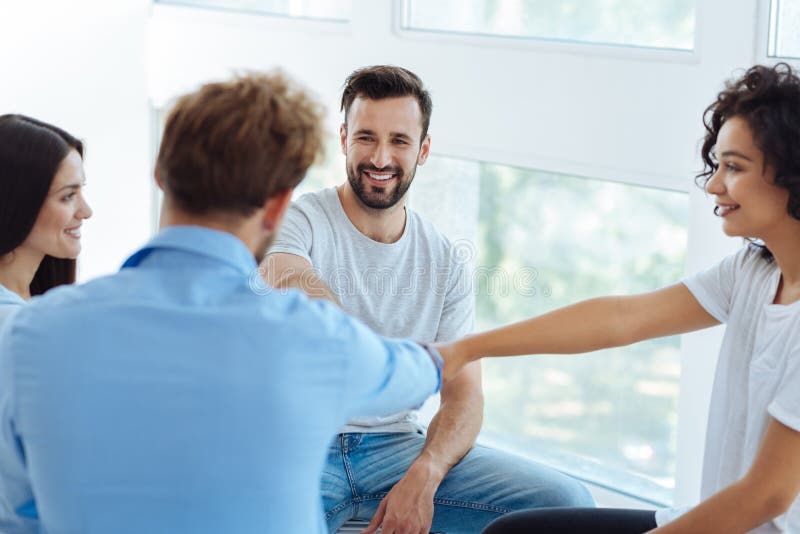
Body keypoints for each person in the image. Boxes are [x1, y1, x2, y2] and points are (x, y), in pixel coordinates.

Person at [0, 72, 445, 534]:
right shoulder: (313, 337)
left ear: (160, 175)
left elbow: (18, 517)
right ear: (279, 207)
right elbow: (425, 369)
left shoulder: (31, 335)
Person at [438, 63, 800, 534]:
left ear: (792, 174)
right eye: (718, 165)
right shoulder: (755, 270)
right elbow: (622, 318)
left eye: (734, 167)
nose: (713, 184)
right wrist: (467, 348)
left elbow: (767, 495)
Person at [263, 65, 593, 534]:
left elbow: (465, 395)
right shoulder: (300, 221)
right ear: (344, 139)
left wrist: (427, 471)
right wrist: (378, 360)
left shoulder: (445, 260)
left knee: (566, 504)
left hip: (396, 450)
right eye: (366, 138)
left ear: (423, 149)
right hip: (299, 444)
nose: (380, 157)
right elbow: (290, 279)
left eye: (399, 140)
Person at [0, 114, 92, 320]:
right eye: (68, 196)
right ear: (17, 203)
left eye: (81, 190)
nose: (86, 211)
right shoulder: (14, 320)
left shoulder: (37, 303)